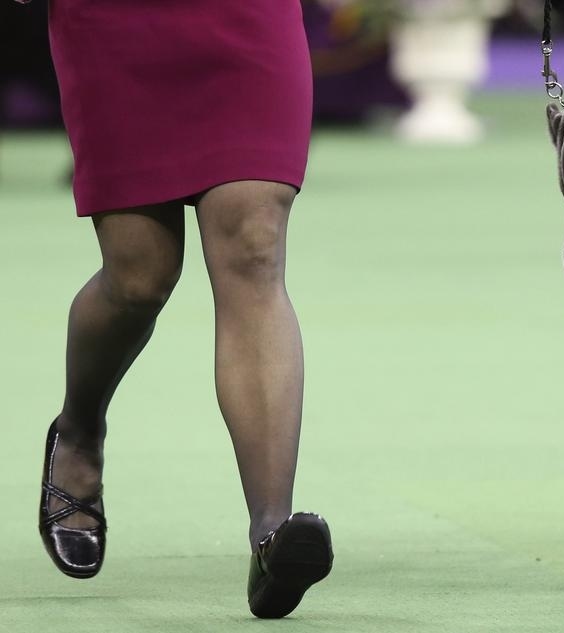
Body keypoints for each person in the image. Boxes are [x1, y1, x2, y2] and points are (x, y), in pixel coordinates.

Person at [30, 0, 333, 618]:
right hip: (112, 21)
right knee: (139, 276)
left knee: (254, 247)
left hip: (246, 17)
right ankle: (79, 431)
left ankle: (272, 533)